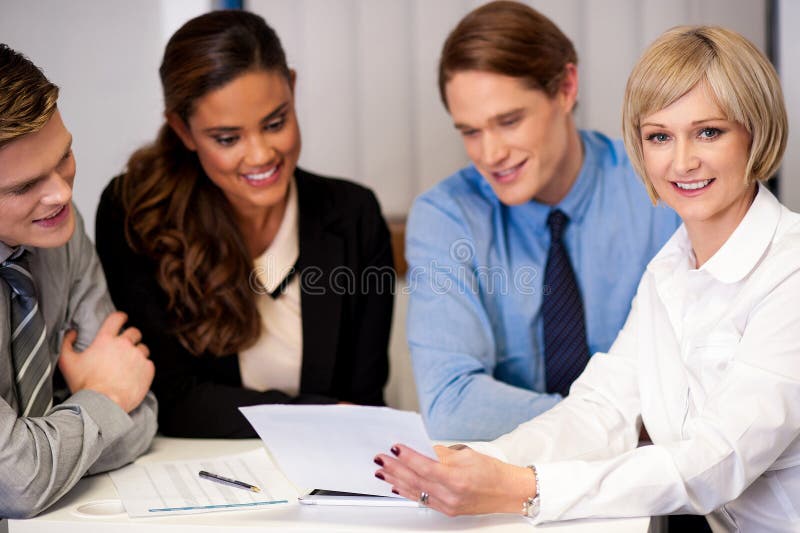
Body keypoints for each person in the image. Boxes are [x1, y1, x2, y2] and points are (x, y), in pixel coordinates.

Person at [375, 25, 799, 531]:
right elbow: (601, 409)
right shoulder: (669, 268)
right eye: (659, 137)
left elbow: (717, 460)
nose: (682, 161)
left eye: (709, 132)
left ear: (756, 130)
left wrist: (525, 487)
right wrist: (481, 462)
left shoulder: (791, 270)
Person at [95, 10, 394, 438]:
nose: (260, 155)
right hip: (194, 465)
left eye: (275, 123)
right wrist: (314, 416)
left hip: (323, 464)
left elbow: (363, 401)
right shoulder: (134, 212)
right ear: (183, 130)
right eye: (228, 139)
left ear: (292, 88)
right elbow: (169, 398)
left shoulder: (354, 214)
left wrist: (325, 420)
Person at [406, 0, 680, 440]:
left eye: (509, 121)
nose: (490, 154)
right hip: (516, 475)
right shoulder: (448, 216)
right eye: (471, 131)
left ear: (567, 87)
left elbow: (706, 381)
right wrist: (619, 425)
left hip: (652, 474)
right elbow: (452, 406)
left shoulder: (660, 189)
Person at [0, 45, 157, 518]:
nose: (62, 193)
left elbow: (142, 412)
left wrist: (49, 447)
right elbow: (18, 485)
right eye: (24, 186)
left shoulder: (59, 231)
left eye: (64, 155)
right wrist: (105, 396)